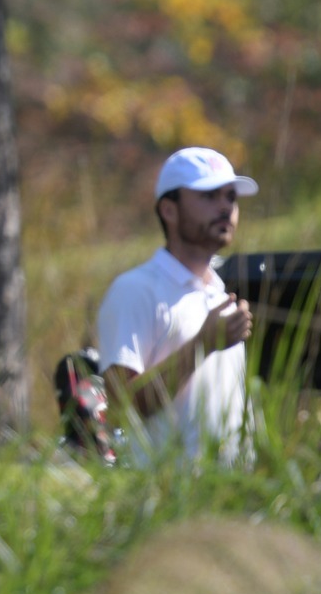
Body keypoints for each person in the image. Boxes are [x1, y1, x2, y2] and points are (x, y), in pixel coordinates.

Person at [96, 146, 258, 464]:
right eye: (209, 196)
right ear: (169, 210)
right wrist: (203, 345)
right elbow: (119, 409)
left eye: (230, 197)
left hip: (232, 498)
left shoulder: (220, 293)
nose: (225, 207)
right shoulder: (135, 290)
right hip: (165, 500)